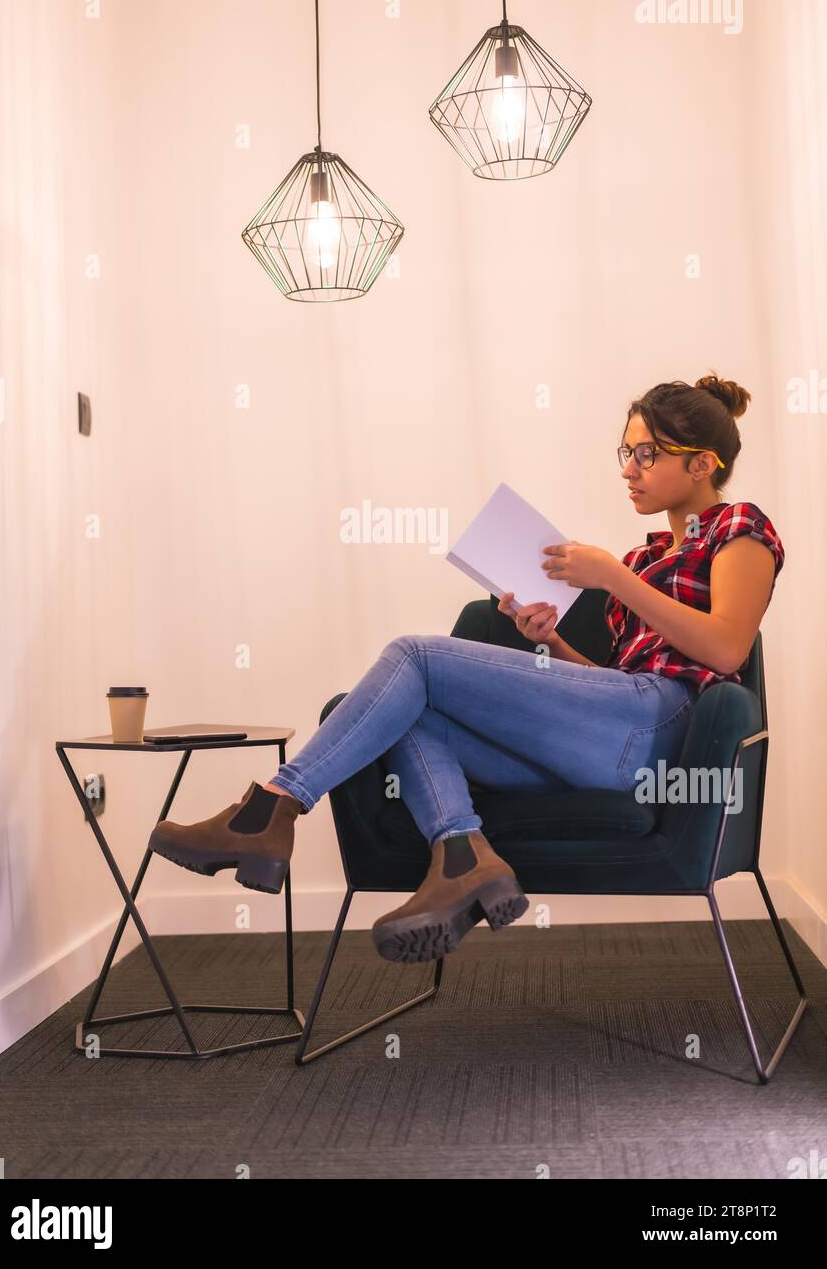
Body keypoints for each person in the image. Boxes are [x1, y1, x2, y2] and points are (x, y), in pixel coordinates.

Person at [149, 372, 784, 965]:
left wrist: (612, 578)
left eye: (648, 455)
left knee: (415, 655)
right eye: (626, 452)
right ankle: (461, 855)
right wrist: (553, 644)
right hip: (615, 731)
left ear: (702, 465)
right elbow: (614, 676)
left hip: (668, 731)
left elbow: (727, 649)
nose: (630, 470)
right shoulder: (644, 557)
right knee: (411, 716)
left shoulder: (739, 527)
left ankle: (270, 809)